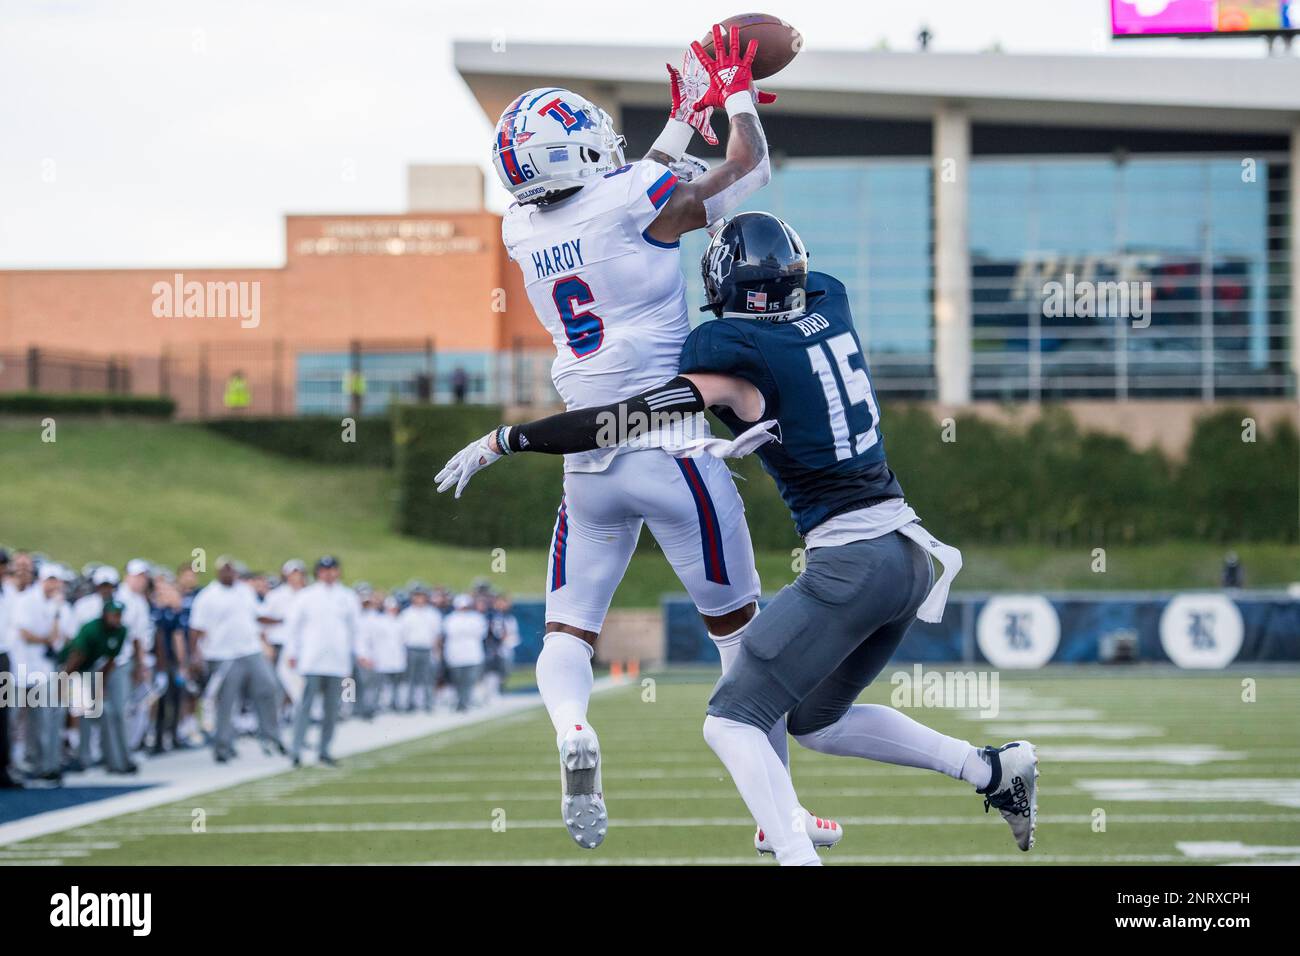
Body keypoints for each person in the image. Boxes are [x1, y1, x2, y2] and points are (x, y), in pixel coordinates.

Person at [439, 212, 1039, 864]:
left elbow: (620, 422)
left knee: (730, 720)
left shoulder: (732, 358)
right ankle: (992, 771)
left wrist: (510, 438)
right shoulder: (829, 301)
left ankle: (792, 855)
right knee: (817, 721)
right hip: (905, 556)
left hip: (852, 563)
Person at [441, 27, 833, 853]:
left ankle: (572, 729)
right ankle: (779, 819)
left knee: (566, 631)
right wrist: (725, 95)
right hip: (672, 446)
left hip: (589, 461)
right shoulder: (629, 201)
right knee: (744, 650)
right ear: (576, 153)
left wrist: (682, 116)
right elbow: (748, 169)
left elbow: (627, 188)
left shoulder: (519, 229)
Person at [188, 556, 283, 762]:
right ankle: (223, 746)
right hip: (222, 654)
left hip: (250, 650)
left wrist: (281, 620)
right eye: (226, 570)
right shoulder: (208, 596)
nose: (230, 573)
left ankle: (271, 736)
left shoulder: (244, 591)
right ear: (219, 572)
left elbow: (257, 616)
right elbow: (196, 628)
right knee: (227, 702)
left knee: (269, 687)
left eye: (233, 570)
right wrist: (194, 655)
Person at [285, 556, 361, 767]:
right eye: (325, 570)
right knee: (305, 706)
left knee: (332, 709)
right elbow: (293, 627)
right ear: (318, 572)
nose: (329, 574)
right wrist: (293, 652)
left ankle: (324, 749)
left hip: (337, 661)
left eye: (333, 570)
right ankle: (296, 749)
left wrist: (359, 653)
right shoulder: (306, 596)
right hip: (312, 659)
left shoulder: (347, 596)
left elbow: (356, 628)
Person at [14, 563, 69, 785]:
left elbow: (58, 636)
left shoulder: (58, 605)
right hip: (24, 667)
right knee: (24, 720)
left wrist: (55, 616)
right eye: (50, 579)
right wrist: (46, 638)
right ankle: (35, 762)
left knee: (49, 718)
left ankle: (49, 764)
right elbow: (24, 633)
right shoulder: (27, 600)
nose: (53, 584)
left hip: (47, 668)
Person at [440, 594, 487, 712]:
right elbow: (450, 633)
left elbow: (480, 633)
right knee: (458, 680)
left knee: (470, 680)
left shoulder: (477, 618)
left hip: (473, 655)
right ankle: (460, 701)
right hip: (455, 656)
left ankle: (465, 702)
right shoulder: (450, 619)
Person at [398, 587, 439, 713]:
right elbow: (402, 634)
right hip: (411, 648)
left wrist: (436, 650)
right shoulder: (407, 614)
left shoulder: (432, 613)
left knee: (428, 677)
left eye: (421, 596)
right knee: (410, 677)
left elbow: (436, 634)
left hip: (426, 648)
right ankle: (409, 703)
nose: (419, 599)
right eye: (417, 596)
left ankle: (428, 703)